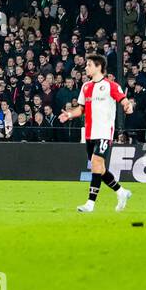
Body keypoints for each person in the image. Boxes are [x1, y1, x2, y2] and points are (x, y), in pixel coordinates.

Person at [58, 53, 133, 213]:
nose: (86, 67)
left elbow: (123, 99)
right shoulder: (86, 87)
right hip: (89, 134)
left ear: (98, 67)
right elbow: (81, 108)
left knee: (96, 165)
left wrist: (128, 105)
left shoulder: (110, 85)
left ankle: (90, 204)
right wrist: (70, 114)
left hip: (104, 132)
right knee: (99, 168)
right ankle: (121, 192)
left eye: (89, 65)